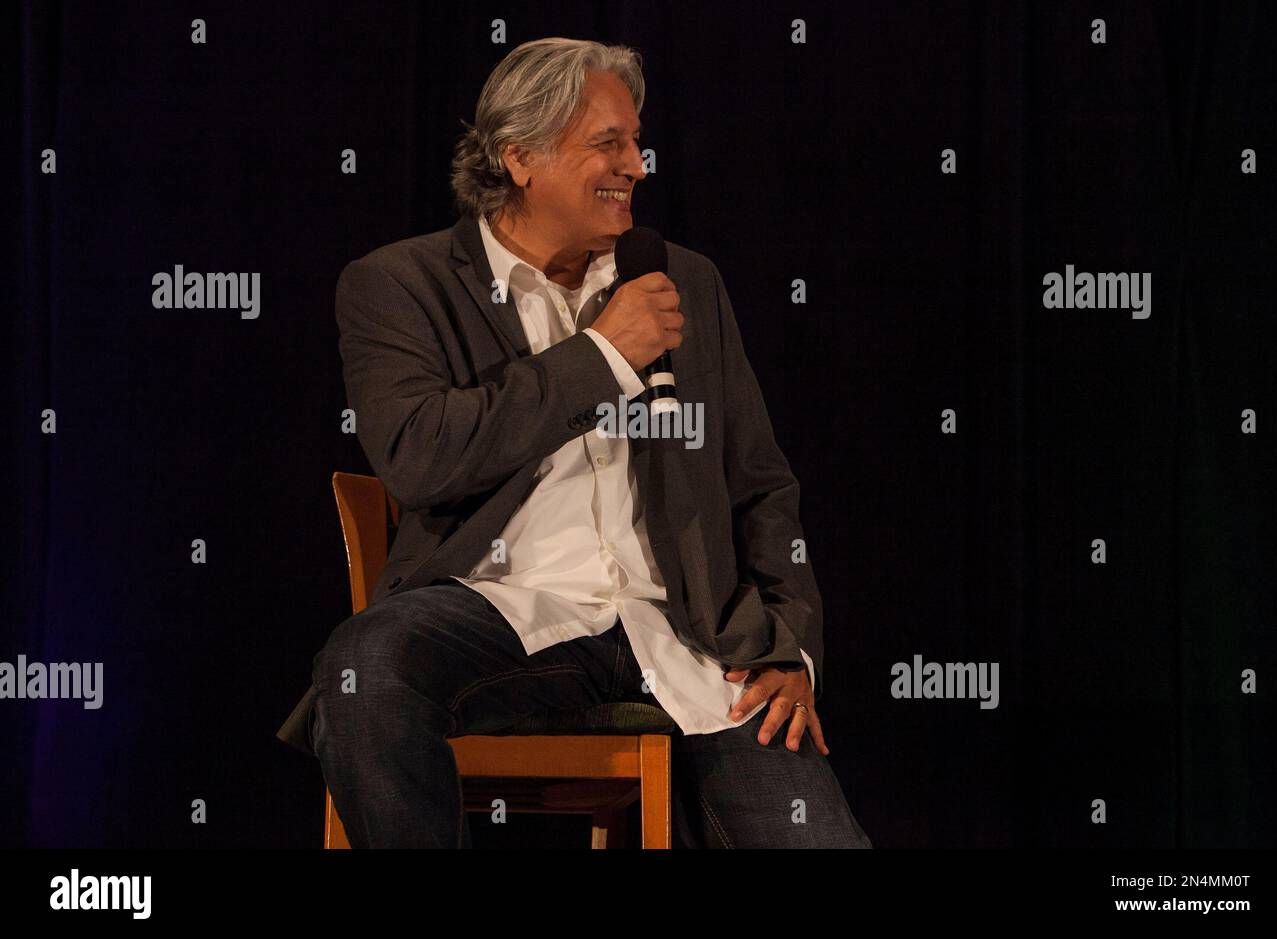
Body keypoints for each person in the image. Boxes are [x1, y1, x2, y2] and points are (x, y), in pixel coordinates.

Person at [277, 36, 872, 849]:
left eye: (637, 140)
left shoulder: (682, 280)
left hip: (689, 637)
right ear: (520, 156)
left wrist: (792, 648)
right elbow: (420, 456)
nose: (638, 163)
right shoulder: (400, 284)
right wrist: (602, 356)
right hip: (503, 614)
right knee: (368, 668)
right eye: (609, 143)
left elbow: (762, 485)